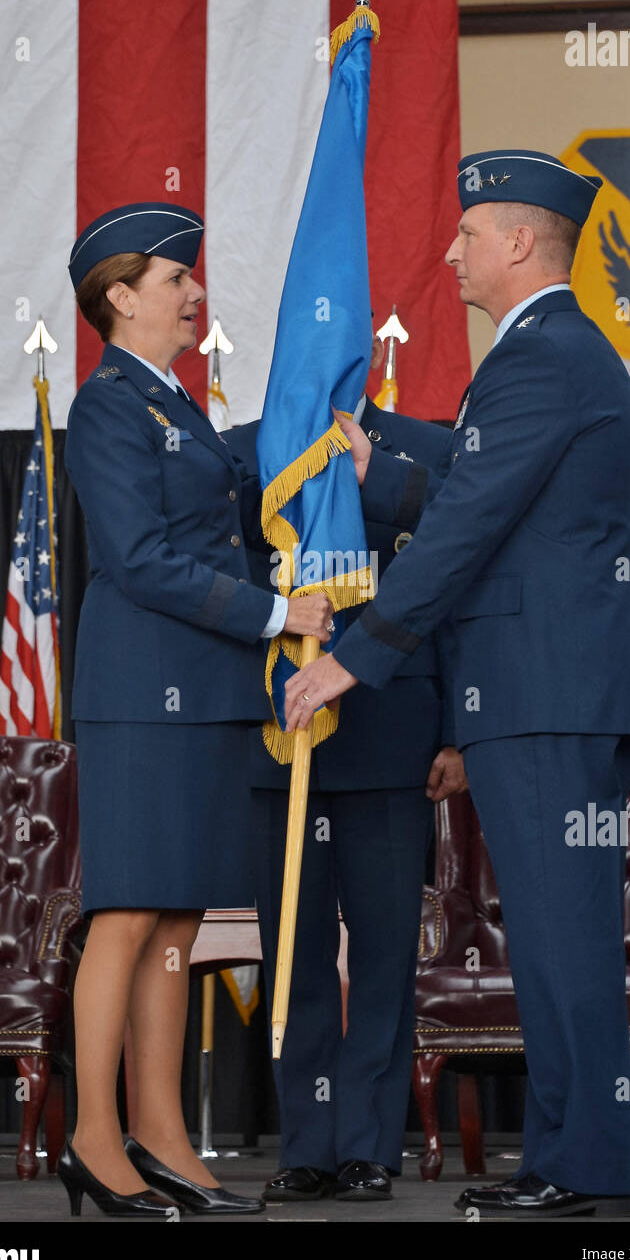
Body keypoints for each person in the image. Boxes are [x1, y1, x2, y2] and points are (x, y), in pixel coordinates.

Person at [283, 152, 630, 1218]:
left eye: (465, 234)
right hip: (538, 691)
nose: (448, 252)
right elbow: (475, 480)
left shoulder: (540, 356)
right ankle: (565, 1155)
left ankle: (585, 1167)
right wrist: (380, 465)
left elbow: (463, 527)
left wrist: (353, 660)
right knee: (551, 935)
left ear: (518, 242)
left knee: (563, 936)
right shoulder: (544, 355)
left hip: (546, 692)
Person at [60, 201, 333, 1217]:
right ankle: (96, 1136)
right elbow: (137, 559)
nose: (193, 294)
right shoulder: (108, 407)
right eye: (176, 281)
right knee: (125, 914)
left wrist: (317, 420)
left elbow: (222, 492)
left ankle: (162, 1134)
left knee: (174, 916)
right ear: (121, 296)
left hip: (197, 697)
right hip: (141, 697)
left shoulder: (168, 404)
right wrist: (274, 611)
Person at [227, 335, 463, 1201]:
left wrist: (459, 734)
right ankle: (307, 1143)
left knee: (386, 957)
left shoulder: (426, 453)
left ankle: (368, 1145)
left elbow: (454, 600)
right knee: (294, 957)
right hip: (277, 739)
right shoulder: (240, 454)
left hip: (396, 736)